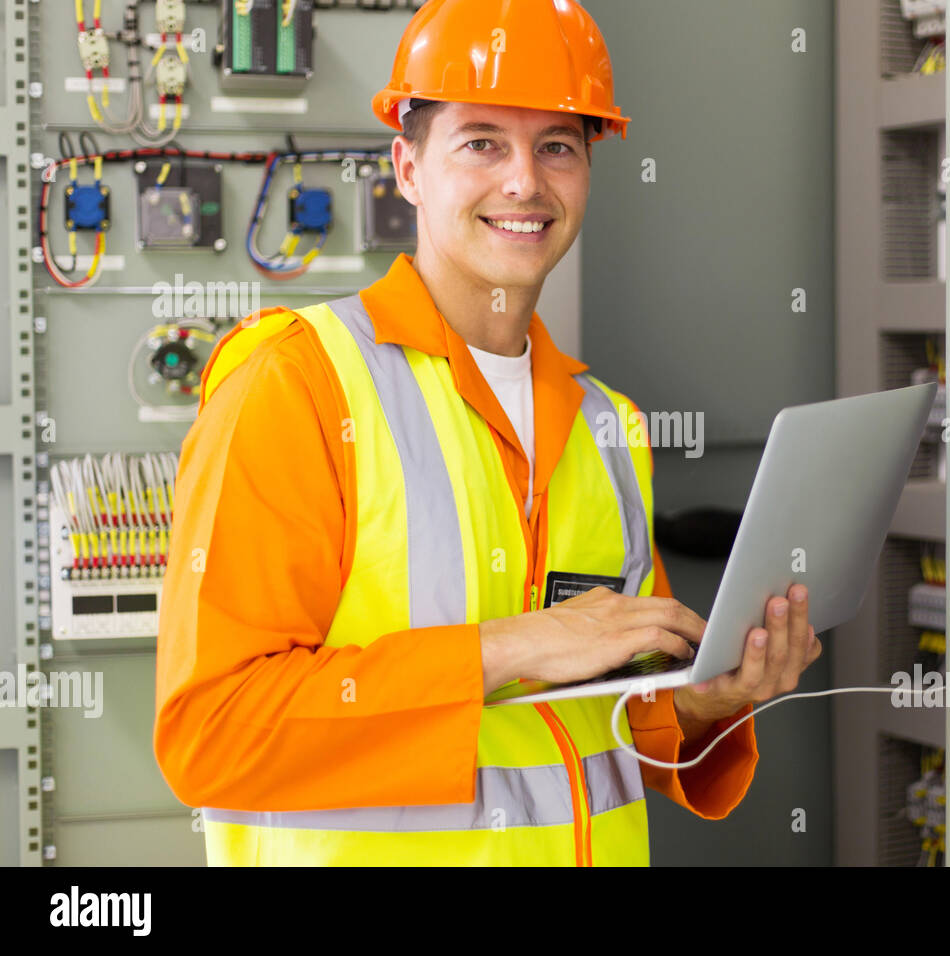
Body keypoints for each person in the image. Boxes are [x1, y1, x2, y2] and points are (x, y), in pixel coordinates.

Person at [153, 0, 821, 866]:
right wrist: (508, 646)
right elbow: (213, 734)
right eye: (480, 142)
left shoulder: (605, 423)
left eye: (557, 146)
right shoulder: (296, 384)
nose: (524, 182)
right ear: (408, 166)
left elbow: (612, 718)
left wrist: (711, 698)